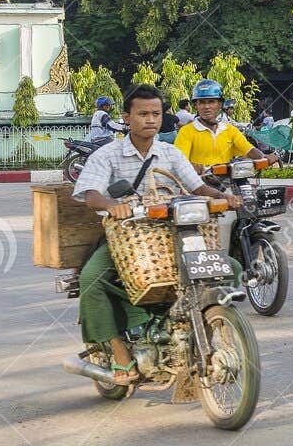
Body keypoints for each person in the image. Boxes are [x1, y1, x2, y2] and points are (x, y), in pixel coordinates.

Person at [73, 85, 243, 386]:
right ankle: (121, 357)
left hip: (176, 233)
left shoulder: (170, 152)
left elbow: (197, 187)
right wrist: (114, 206)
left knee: (231, 267)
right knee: (91, 280)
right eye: (142, 114)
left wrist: (223, 196)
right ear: (127, 117)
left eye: (155, 113)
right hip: (129, 239)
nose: (150, 119)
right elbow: (91, 195)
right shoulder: (107, 155)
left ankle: (204, 330)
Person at [174, 79, 271, 170]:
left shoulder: (230, 129)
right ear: (196, 106)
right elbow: (179, 162)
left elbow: (249, 150)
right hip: (199, 183)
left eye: (211, 102)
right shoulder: (186, 132)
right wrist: (195, 167)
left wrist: (264, 157)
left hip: (228, 182)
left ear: (220, 104)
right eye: (202, 102)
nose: (206, 107)